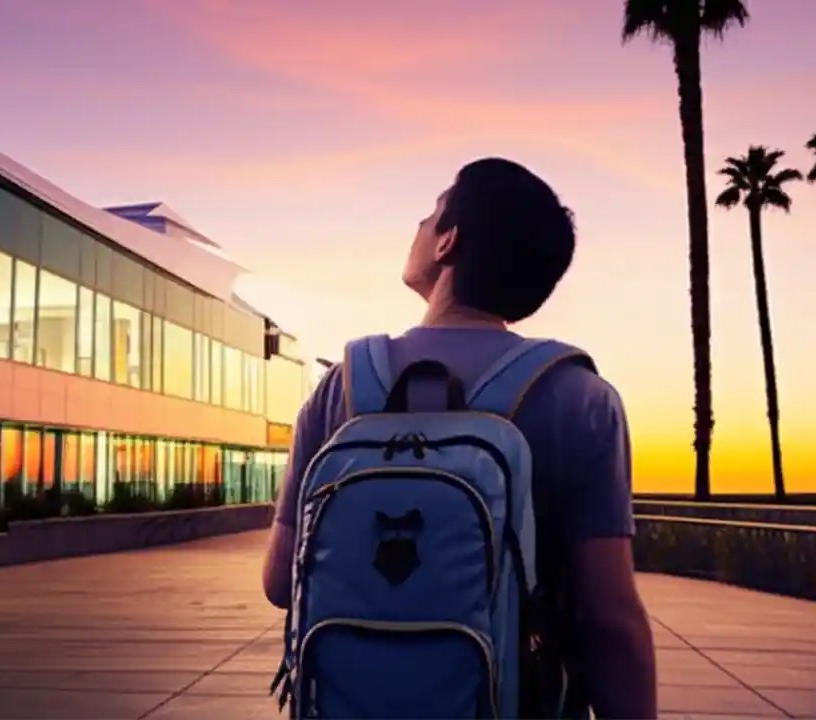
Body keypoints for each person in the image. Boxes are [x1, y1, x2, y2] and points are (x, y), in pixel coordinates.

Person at [262, 158, 657, 719]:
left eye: (431, 214)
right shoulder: (580, 397)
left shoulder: (343, 386)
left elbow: (282, 581)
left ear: (448, 243)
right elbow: (609, 618)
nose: (419, 226)